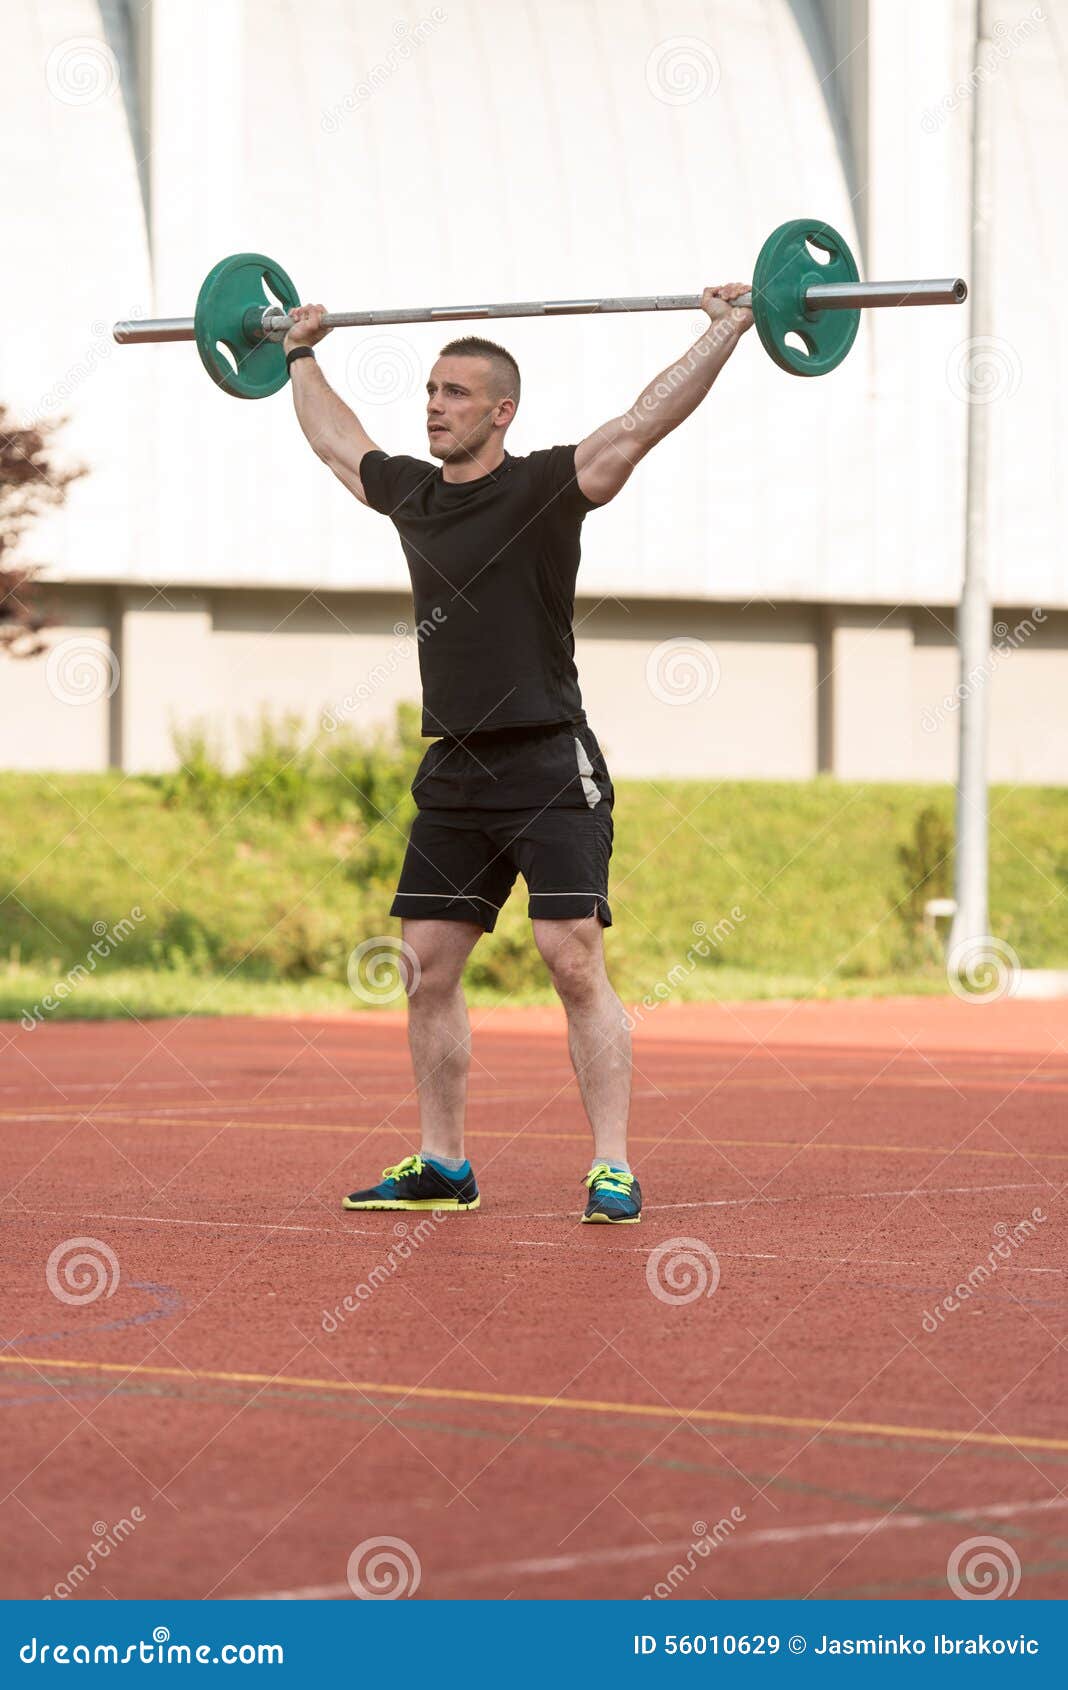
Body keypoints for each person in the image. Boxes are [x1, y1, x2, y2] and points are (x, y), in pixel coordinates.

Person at [284, 282, 753, 1223]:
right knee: (426, 965)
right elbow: (337, 442)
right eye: (429, 390)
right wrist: (299, 351)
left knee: (568, 955)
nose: (433, 406)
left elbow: (637, 426)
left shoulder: (542, 489)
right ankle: (444, 1164)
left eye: (455, 393)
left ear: (501, 410)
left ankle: (611, 1166)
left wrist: (729, 328)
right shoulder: (414, 495)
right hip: (454, 769)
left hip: (547, 759)